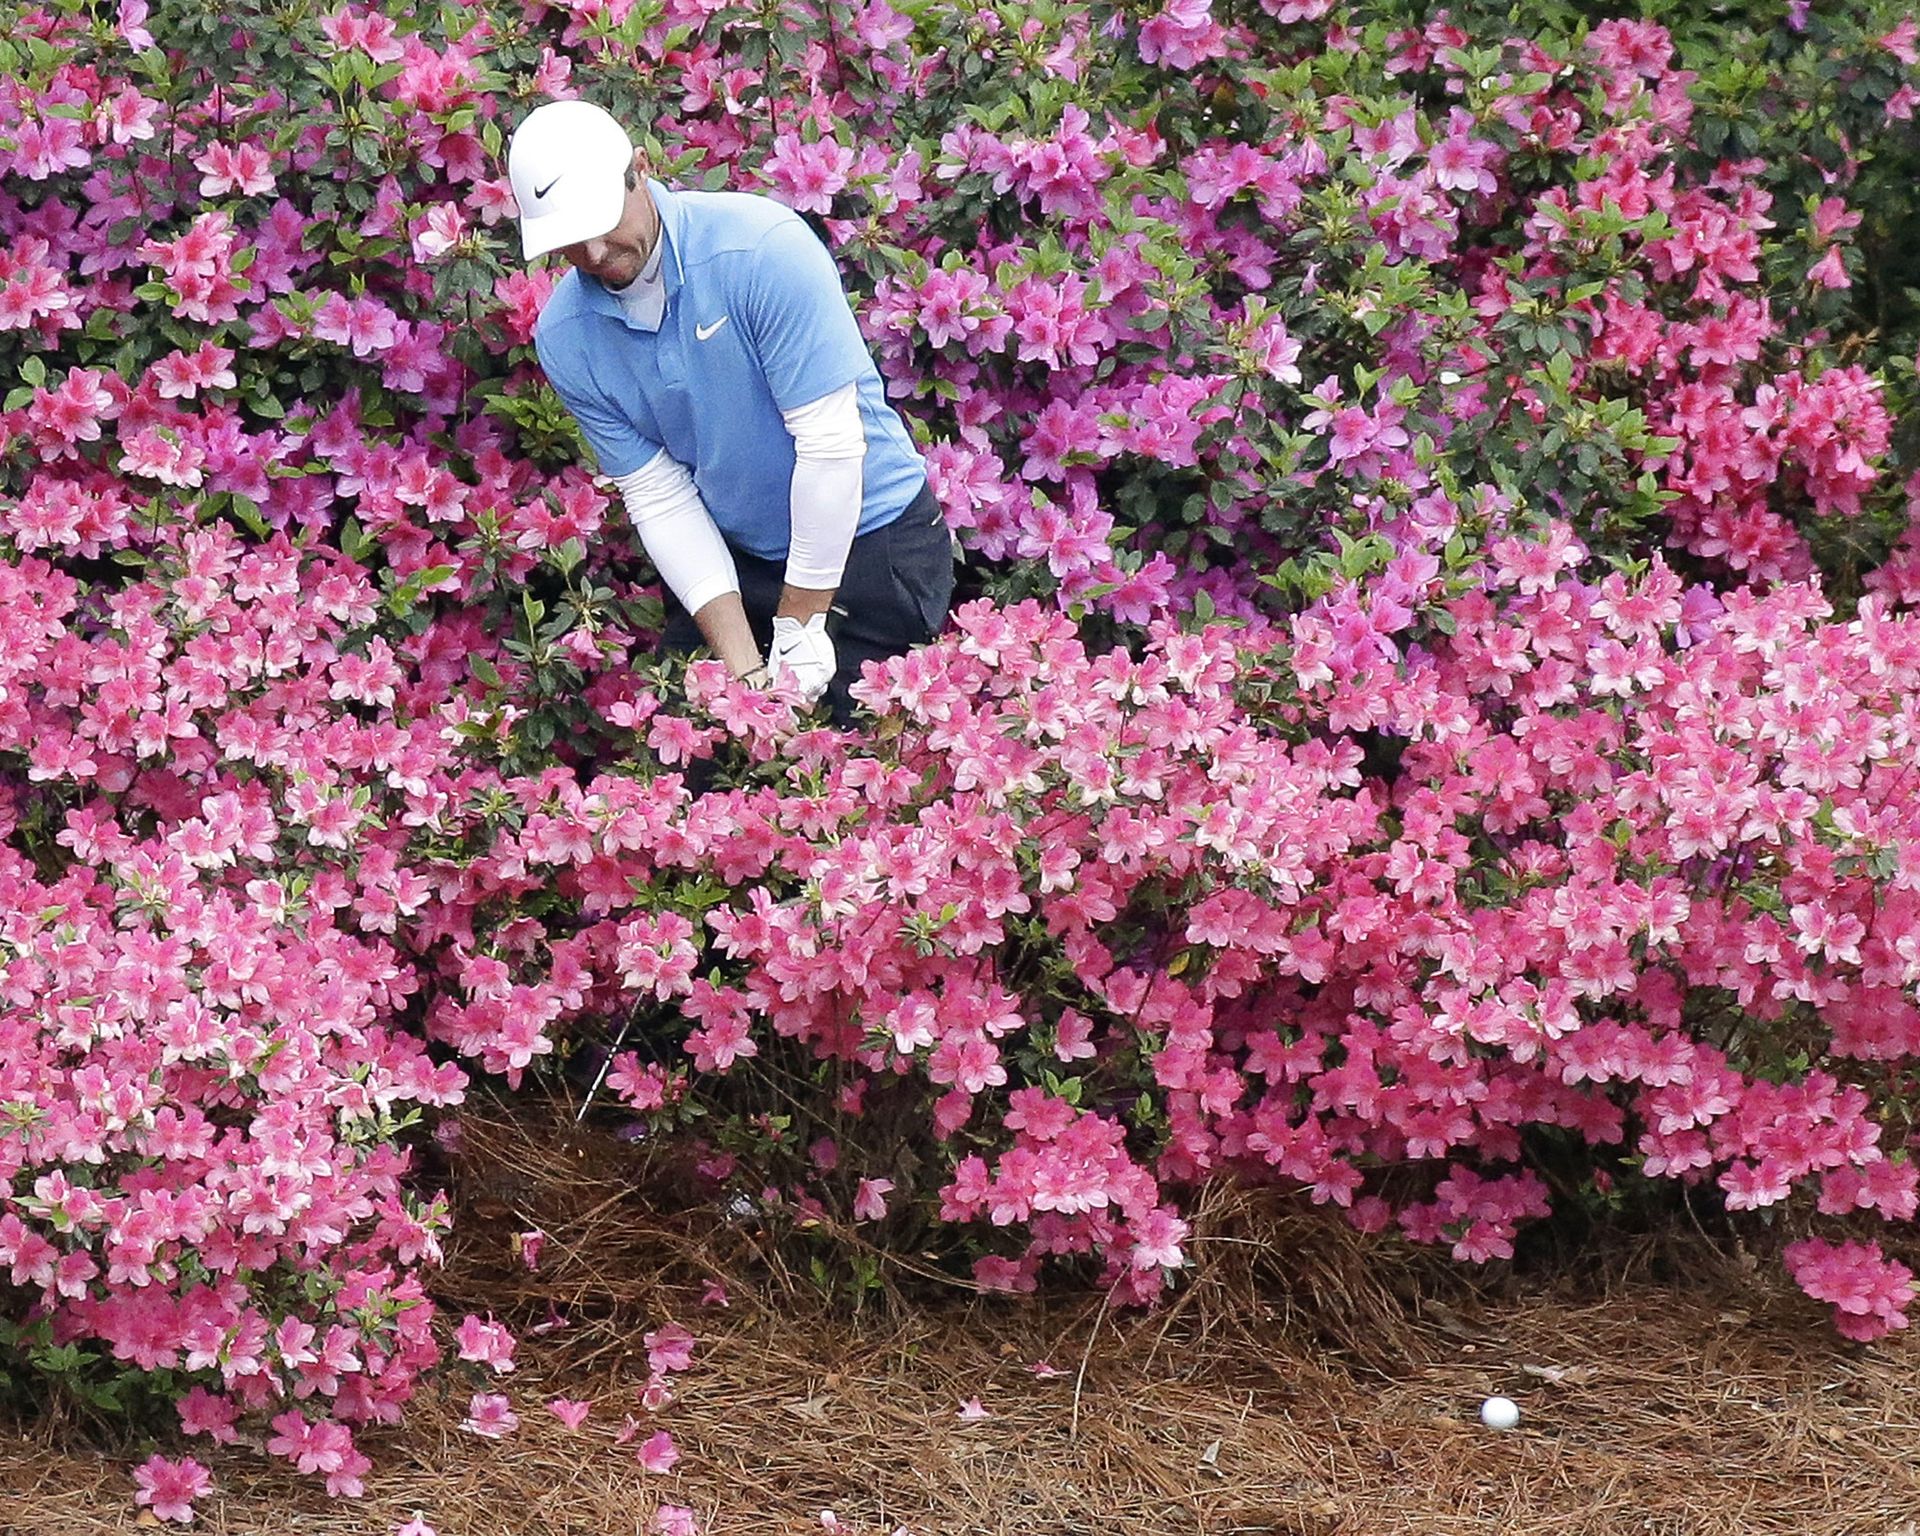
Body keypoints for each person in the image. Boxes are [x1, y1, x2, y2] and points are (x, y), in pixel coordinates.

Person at [505, 99, 953, 725]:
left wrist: (800, 627)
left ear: (640, 169)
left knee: (844, 761)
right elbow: (659, 495)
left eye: (602, 219)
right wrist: (746, 672)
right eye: (569, 240)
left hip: (869, 542)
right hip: (740, 557)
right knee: (713, 757)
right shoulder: (565, 335)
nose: (597, 249)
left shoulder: (763, 250)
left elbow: (830, 448)